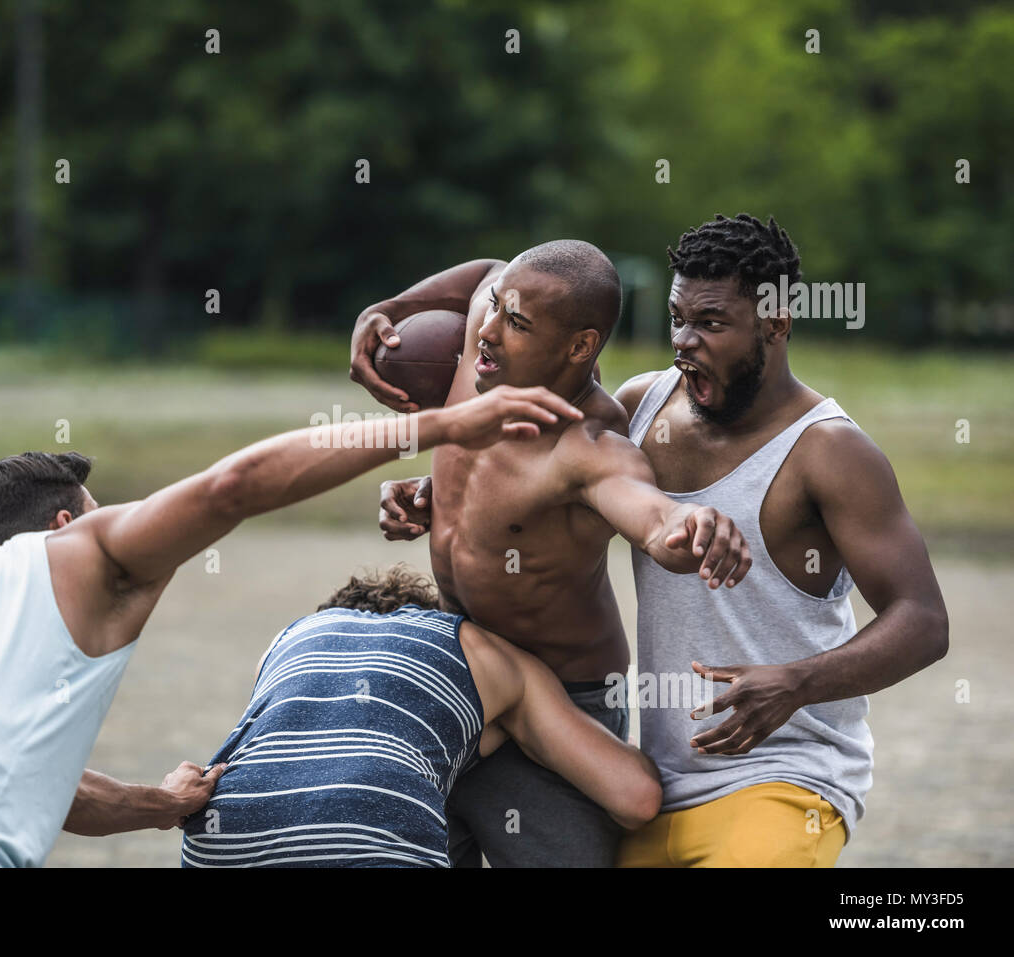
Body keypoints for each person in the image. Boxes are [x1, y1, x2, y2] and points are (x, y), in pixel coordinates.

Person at [0, 385, 581, 866]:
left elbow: (48, 790)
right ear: (66, 521)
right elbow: (236, 485)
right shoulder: (84, 553)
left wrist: (159, 805)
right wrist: (440, 426)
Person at [349, 240, 752, 867]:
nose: (483, 332)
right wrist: (386, 307)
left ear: (580, 347)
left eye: (516, 324)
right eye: (496, 310)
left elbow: (649, 518)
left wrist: (690, 525)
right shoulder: (485, 344)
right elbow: (482, 275)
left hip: (565, 703)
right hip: (459, 676)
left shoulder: (589, 446)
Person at [607, 213, 948, 866]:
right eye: (678, 317)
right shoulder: (641, 409)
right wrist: (438, 486)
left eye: (710, 323)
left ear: (775, 324)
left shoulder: (831, 451)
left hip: (785, 780)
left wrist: (795, 682)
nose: (684, 340)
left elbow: (924, 621)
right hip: (653, 786)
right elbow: (549, 478)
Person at [167, 565, 660, 867]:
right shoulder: (474, 645)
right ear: (426, 613)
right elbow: (634, 797)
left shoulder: (289, 638)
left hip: (224, 832)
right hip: (370, 828)